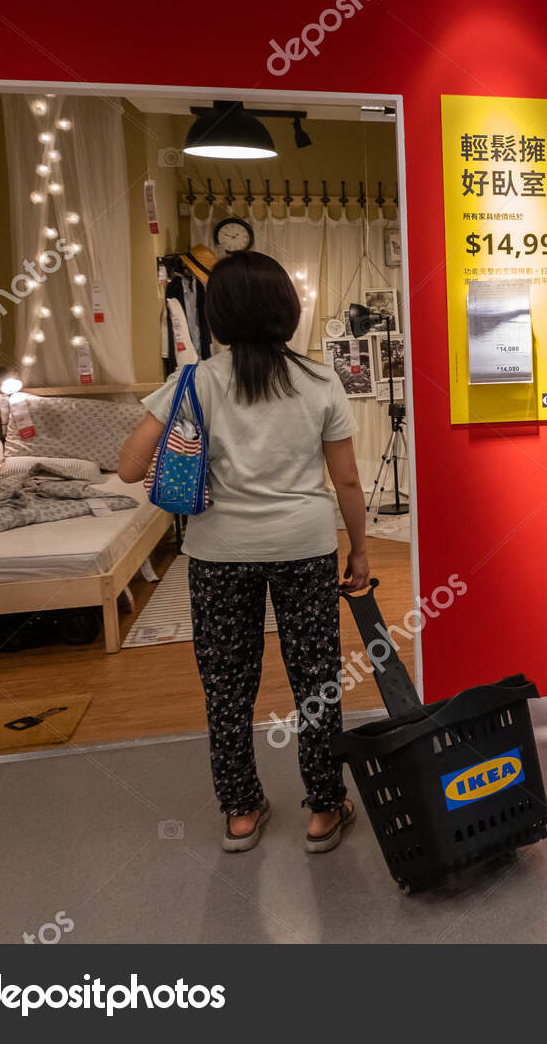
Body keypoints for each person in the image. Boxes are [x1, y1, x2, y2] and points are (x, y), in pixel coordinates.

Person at [119, 251, 371, 855]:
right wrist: (359, 551)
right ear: (286, 309)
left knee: (227, 685)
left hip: (218, 554)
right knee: (316, 680)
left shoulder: (193, 381)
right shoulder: (319, 380)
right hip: (304, 548)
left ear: (219, 315)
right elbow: (348, 483)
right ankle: (323, 809)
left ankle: (239, 810)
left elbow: (129, 468)